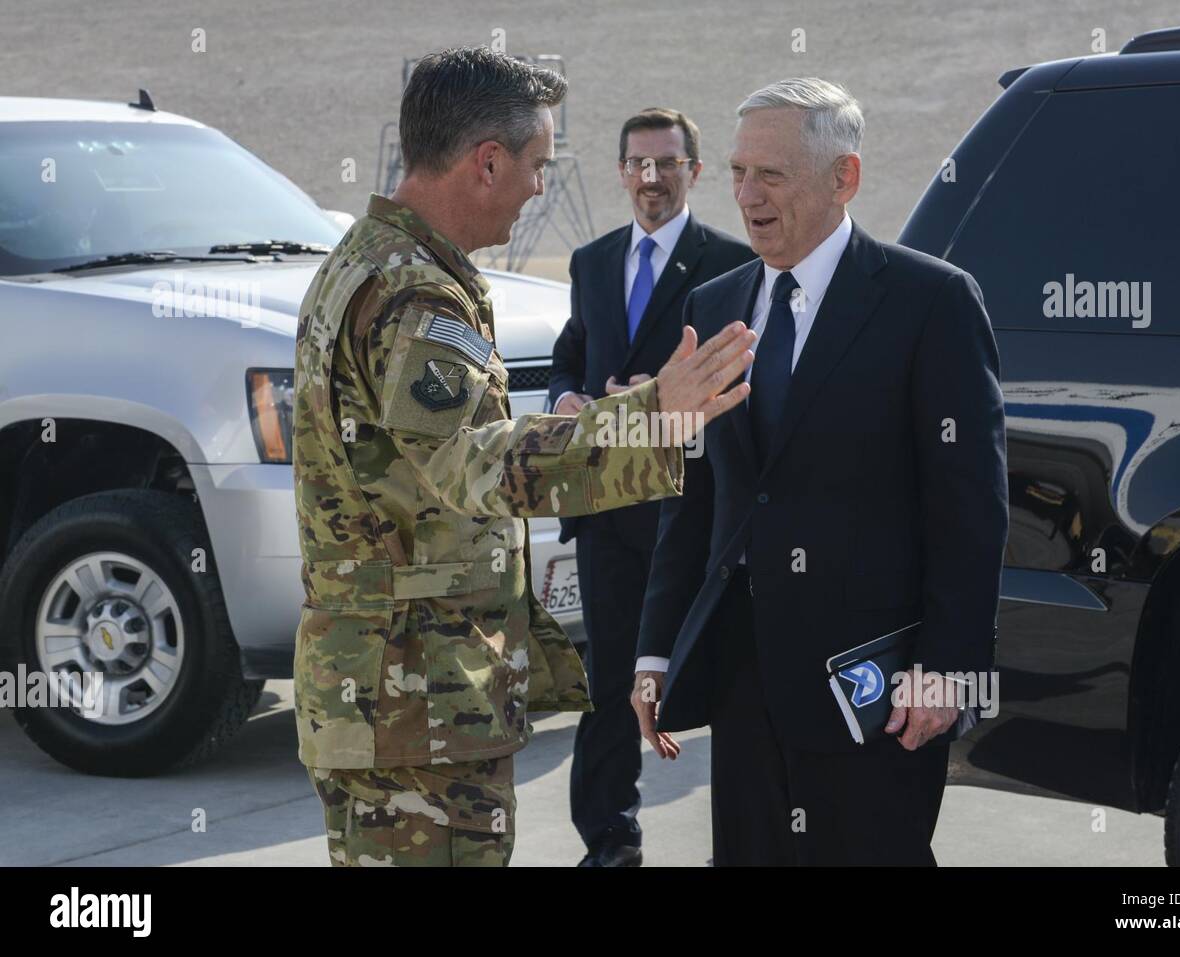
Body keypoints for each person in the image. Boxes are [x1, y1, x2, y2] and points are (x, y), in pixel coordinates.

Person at [292, 46, 756, 867]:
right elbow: (476, 465)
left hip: (395, 694)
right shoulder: (412, 292)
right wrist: (654, 417)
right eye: (537, 165)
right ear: (487, 162)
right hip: (416, 707)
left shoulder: (373, 260)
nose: (542, 186)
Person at [632, 77, 1008, 866]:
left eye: (771, 174)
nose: (747, 196)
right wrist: (657, 651)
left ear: (844, 178)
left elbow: (970, 509)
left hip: (873, 684)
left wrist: (948, 667)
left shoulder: (930, 302)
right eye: (738, 172)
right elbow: (692, 497)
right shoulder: (714, 304)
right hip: (743, 678)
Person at [548, 107, 753, 867]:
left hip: (690, 512)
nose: (652, 177)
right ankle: (610, 840)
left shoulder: (732, 263)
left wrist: (659, 398)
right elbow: (572, 353)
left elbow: (744, 377)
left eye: (667, 163)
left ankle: (748, 838)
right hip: (608, 511)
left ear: (693, 172)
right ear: (621, 172)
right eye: (638, 163)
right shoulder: (592, 261)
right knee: (607, 685)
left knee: (714, 678)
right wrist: (568, 397)